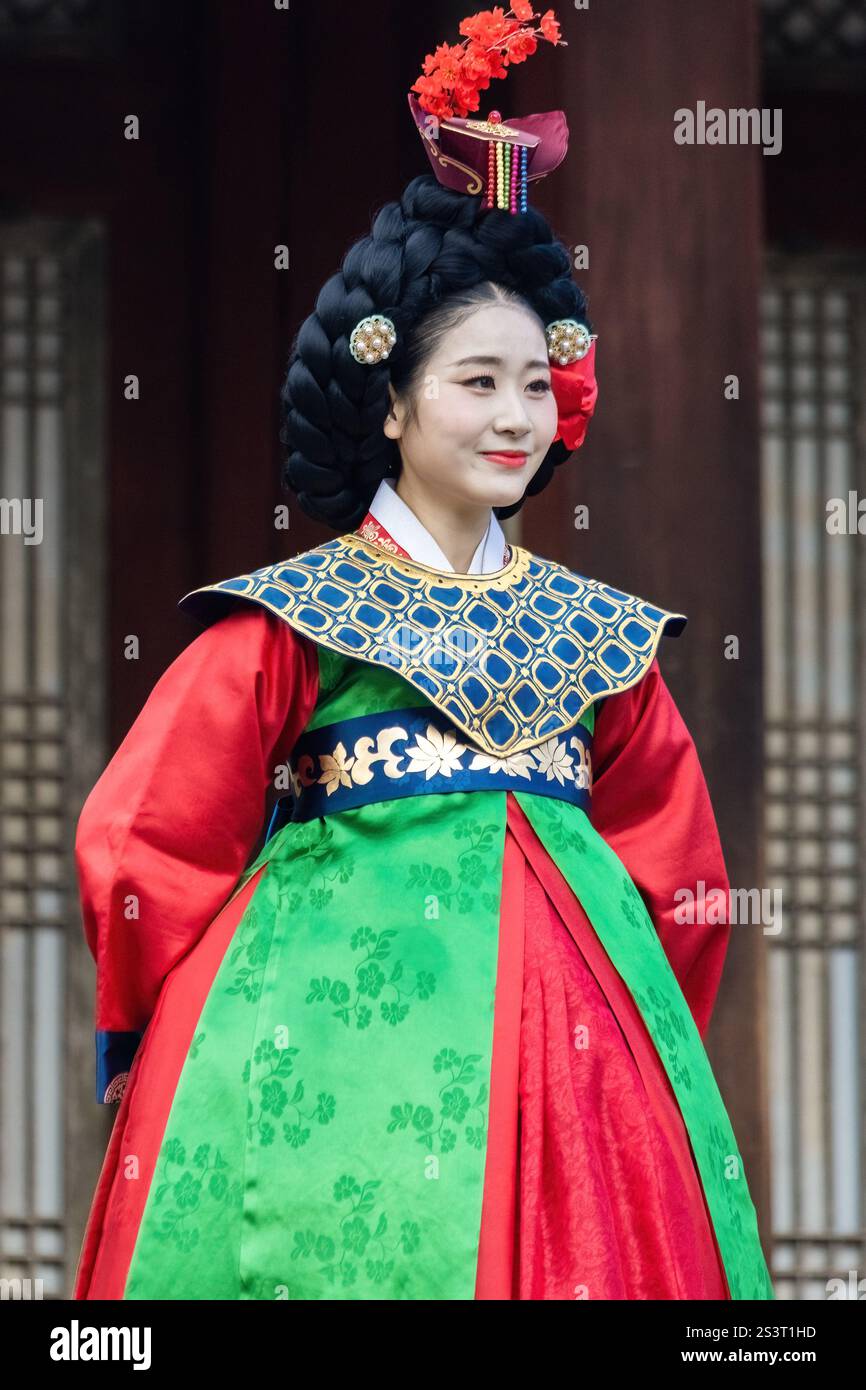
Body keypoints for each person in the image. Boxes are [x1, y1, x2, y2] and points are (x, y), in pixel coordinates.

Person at [72, 6, 774, 1301]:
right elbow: (148, 835)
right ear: (388, 400)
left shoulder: (603, 641)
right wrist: (166, 1044)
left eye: (530, 383)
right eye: (474, 383)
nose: (514, 417)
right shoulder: (293, 619)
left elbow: (679, 885)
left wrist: (636, 1054)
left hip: (582, 1076)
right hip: (324, 1053)